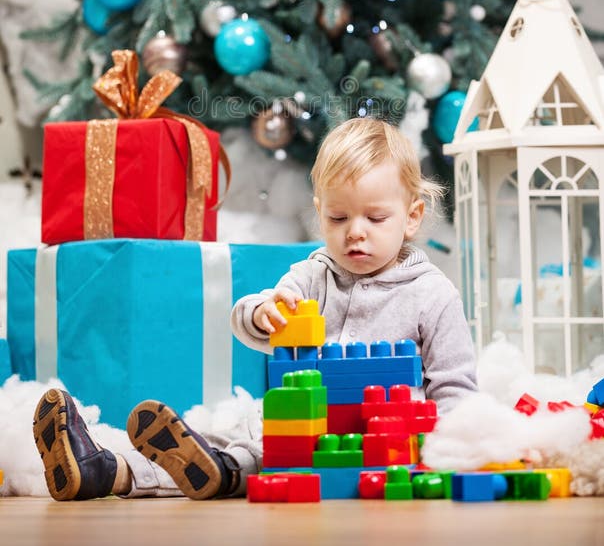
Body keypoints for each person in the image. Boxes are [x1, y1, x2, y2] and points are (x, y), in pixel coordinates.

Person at [33, 117, 477, 502]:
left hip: (381, 441)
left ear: (412, 216)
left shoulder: (433, 294)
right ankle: (106, 469)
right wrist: (265, 312)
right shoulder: (313, 275)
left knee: (255, 454)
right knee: (225, 437)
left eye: (375, 219)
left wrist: (446, 454)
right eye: (338, 219)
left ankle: (222, 472)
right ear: (320, 213)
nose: (354, 234)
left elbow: (455, 389)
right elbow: (253, 316)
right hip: (300, 424)